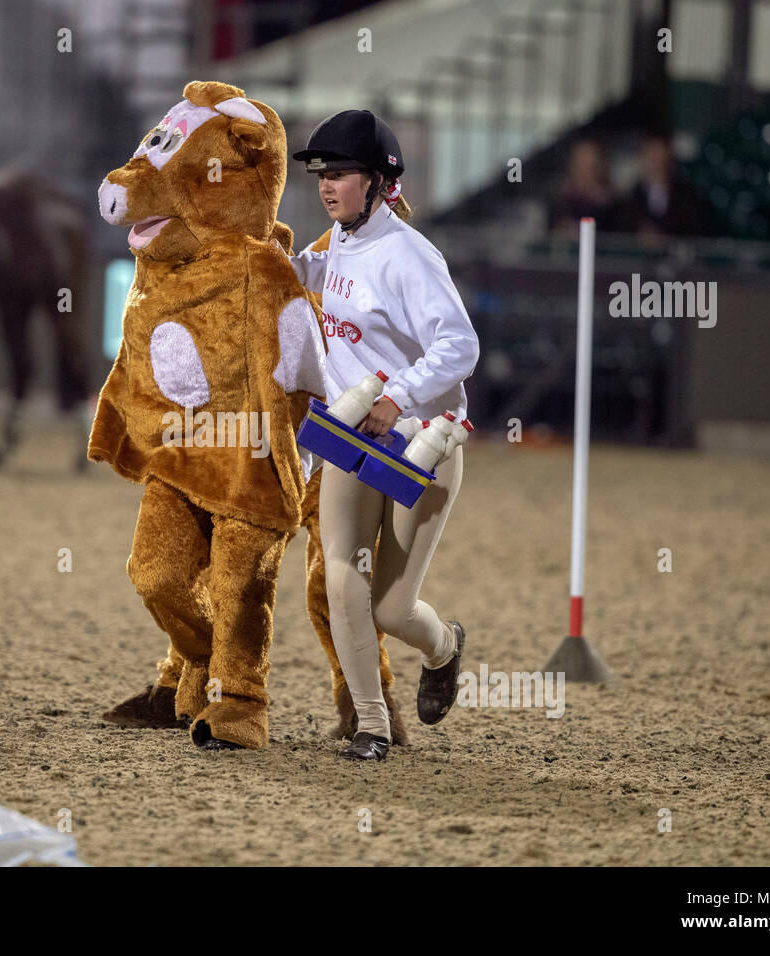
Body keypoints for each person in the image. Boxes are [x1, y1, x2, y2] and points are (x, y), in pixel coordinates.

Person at [281, 109, 480, 760]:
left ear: (377, 182)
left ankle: (445, 645)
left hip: (421, 440)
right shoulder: (338, 238)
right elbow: (313, 276)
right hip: (350, 435)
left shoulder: (409, 257)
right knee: (341, 572)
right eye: (322, 174)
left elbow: (461, 345)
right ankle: (370, 725)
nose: (326, 185)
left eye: (339, 174)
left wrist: (398, 396)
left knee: (393, 608)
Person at [618, 133, 711, 242]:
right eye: (652, 156)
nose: (657, 163)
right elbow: (623, 230)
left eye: (660, 155)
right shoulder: (633, 196)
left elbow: (695, 229)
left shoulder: (686, 195)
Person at [549, 138, 617, 238]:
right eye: (580, 164)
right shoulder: (559, 201)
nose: (584, 171)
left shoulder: (612, 207)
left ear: (600, 167)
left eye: (589, 164)